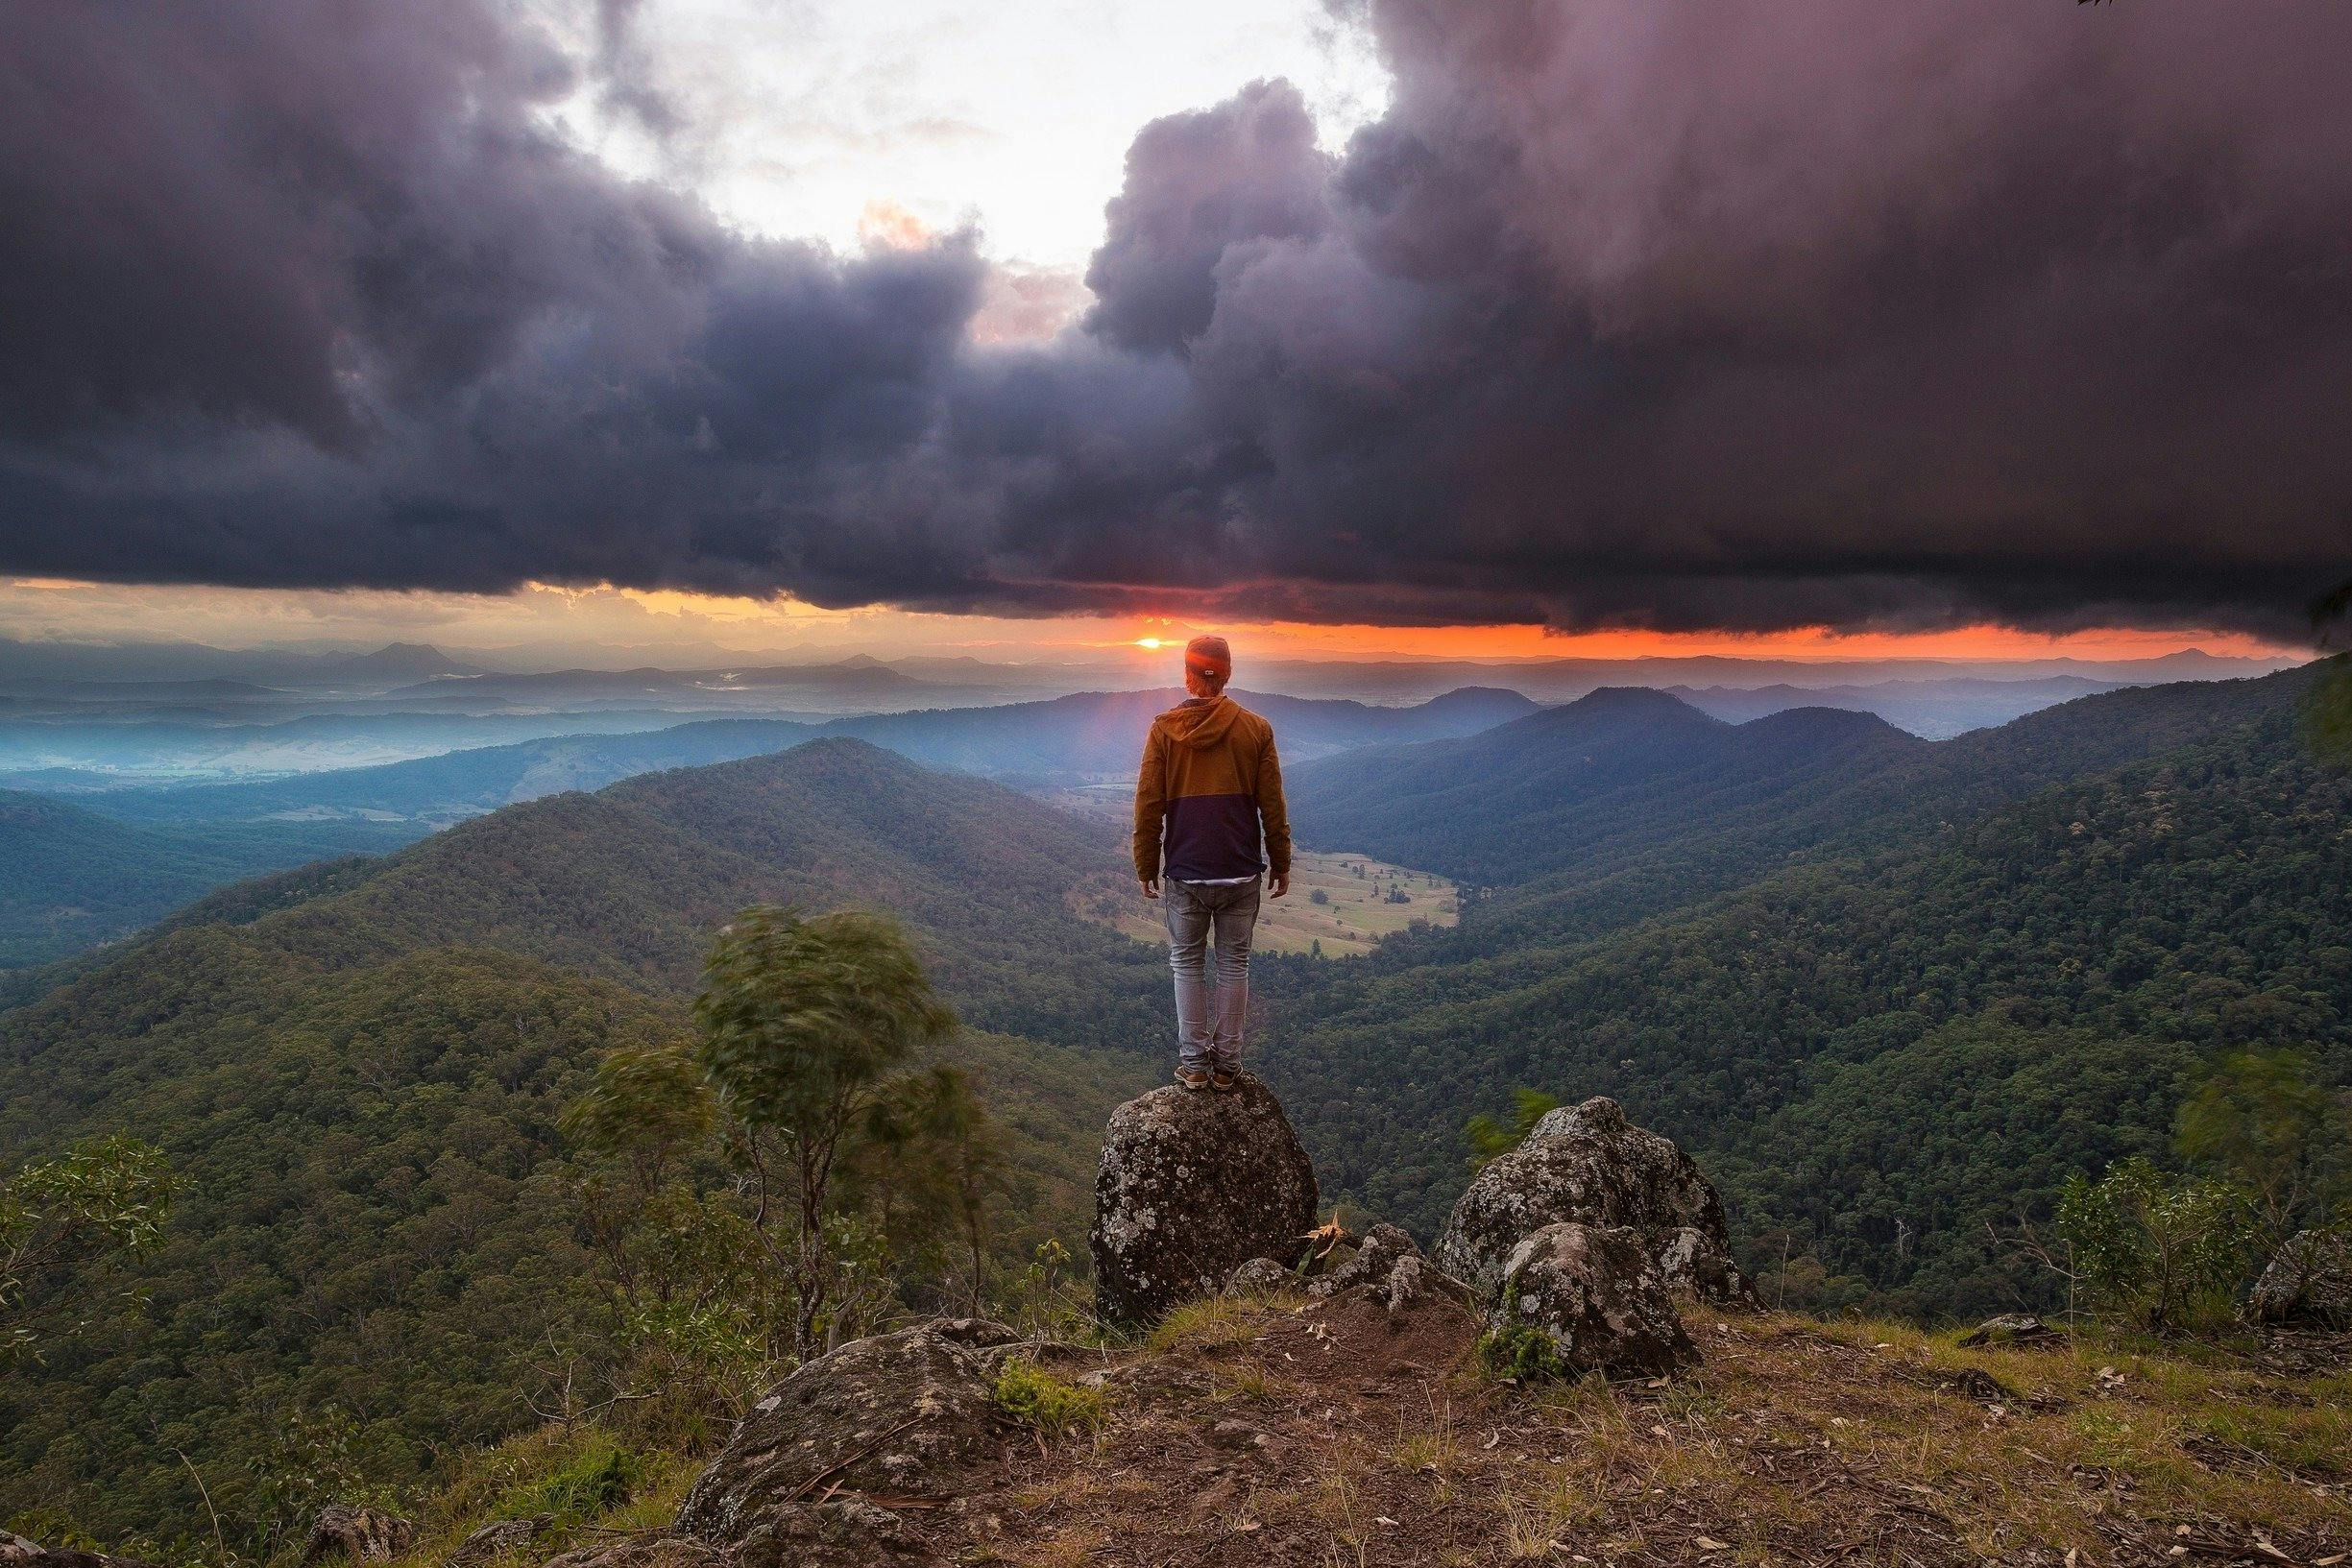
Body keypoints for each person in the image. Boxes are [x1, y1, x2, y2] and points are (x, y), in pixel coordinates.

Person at [1132, 635, 1290, 1092]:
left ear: (1186, 674)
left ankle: (1195, 1066)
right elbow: (1272, 806)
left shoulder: (1163, 729)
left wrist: (1145, 864)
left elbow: (1148, 805)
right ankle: (1227, 1066)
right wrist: (1280, 862)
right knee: (1234, 964)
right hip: (1240, 869)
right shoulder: (1256, 729)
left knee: (1186, 963)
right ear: (1227, 674)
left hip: (1186, 870)